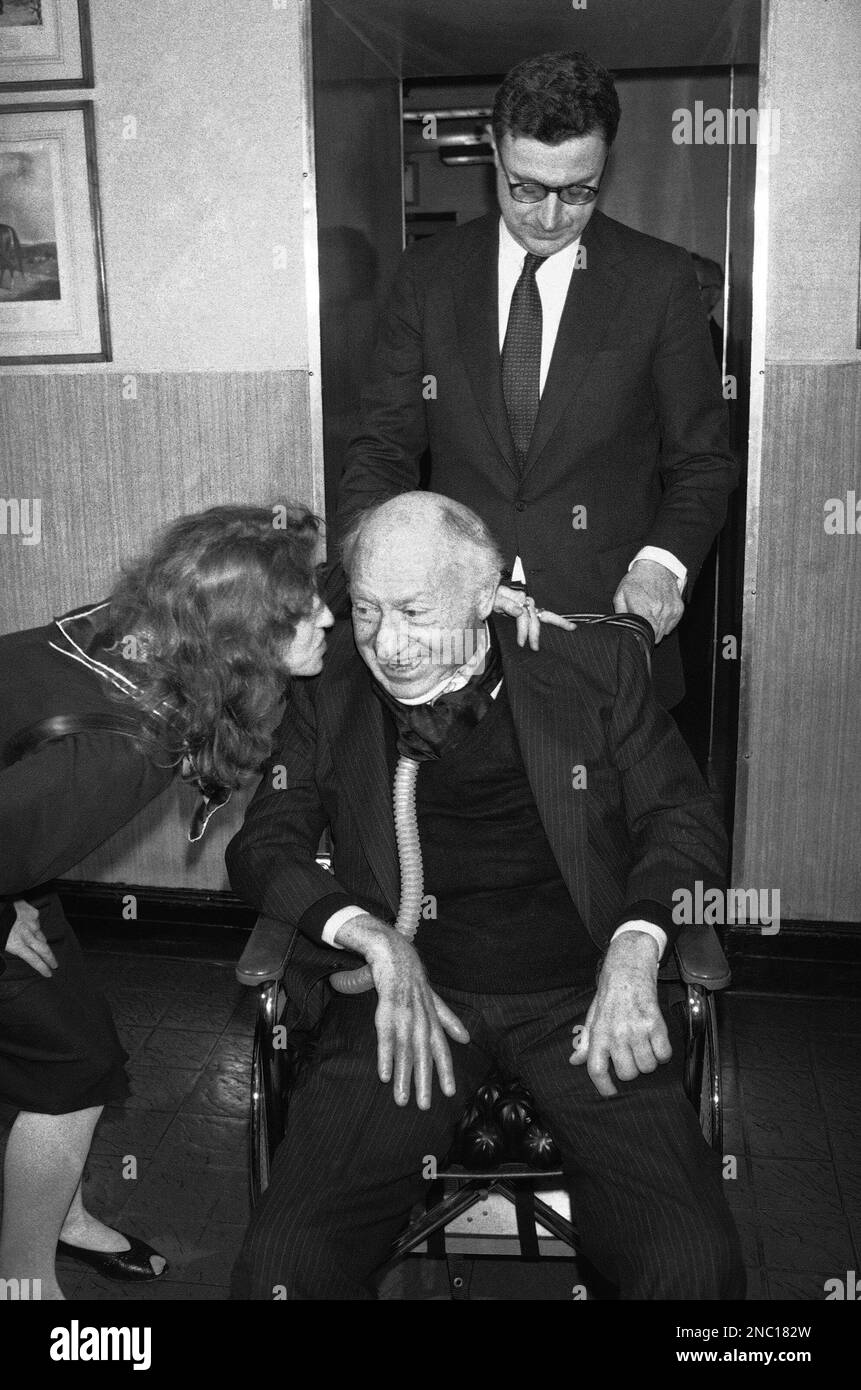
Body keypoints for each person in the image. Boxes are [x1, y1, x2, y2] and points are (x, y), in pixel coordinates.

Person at [227, 491, 744, 1301]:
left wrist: (637, 944)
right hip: (406, 1003)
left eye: (414, 612)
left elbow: (681, 822)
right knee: (281, 1273)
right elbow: (263, 844)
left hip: (583, 995)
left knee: (692, 1269)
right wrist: (367, 933)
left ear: (487, 595)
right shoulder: (326, 690)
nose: (388, 645)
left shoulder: (590, 666)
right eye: (365, 611)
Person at [0, 502, 333, 1300]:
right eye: (300, 609)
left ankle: (55, 1218)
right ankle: (21, 1281)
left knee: (73, 1043)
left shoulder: (141, 631)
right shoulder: (121, 750)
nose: (327, 614)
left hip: (12, 858)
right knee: (72, 1071)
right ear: (243, 643)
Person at [337, 50, 738, 708]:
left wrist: (661, 564)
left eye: (577, 191)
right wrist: (382, 578)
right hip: (456, 622)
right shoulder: (427, 277)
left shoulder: (658, 282)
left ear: (604, 165)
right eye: (526, 187)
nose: (550, 218)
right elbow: (383, 448)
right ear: (495, 153)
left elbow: (700, 460)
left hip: (603, 622)